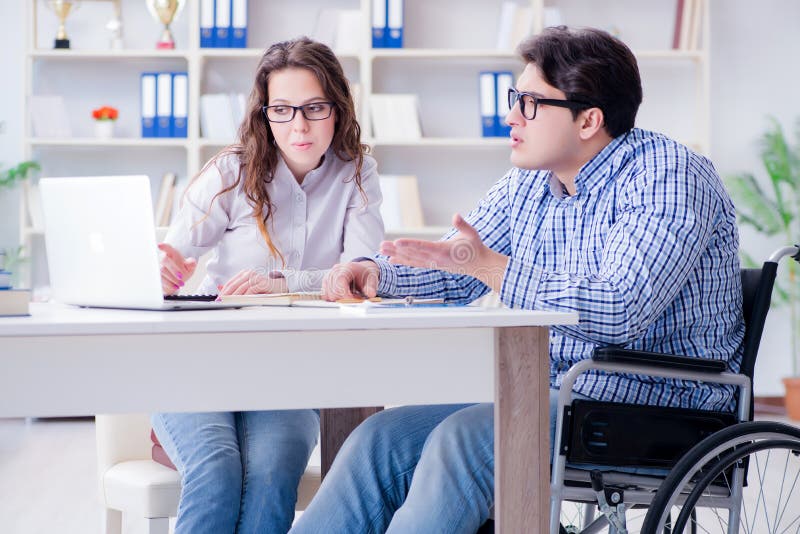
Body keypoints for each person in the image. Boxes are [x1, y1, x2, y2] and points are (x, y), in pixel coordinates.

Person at [289, 26, 744, 534]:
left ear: (589, 119)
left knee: (465, 440)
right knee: (379, 441)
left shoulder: (670, 176)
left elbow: (620, 307)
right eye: (515, 99)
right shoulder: (530, 181)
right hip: (552, 391)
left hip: (659, 404)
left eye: (530, 103)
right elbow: (458, 266)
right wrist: (375, 274)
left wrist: (489, 266)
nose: (511, 116)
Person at [151, 37, 383, 534]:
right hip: (201, 363)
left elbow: (360, 277)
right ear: (264, 113)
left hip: (291, 371)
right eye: (282, 109)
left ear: (338, 109)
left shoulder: (357, 174)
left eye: (314, 108)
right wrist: (162, 268)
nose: (299, 126)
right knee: (216, 470)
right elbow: (171, 257)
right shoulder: (230, 171)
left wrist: (281, 283)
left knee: (273, 474)